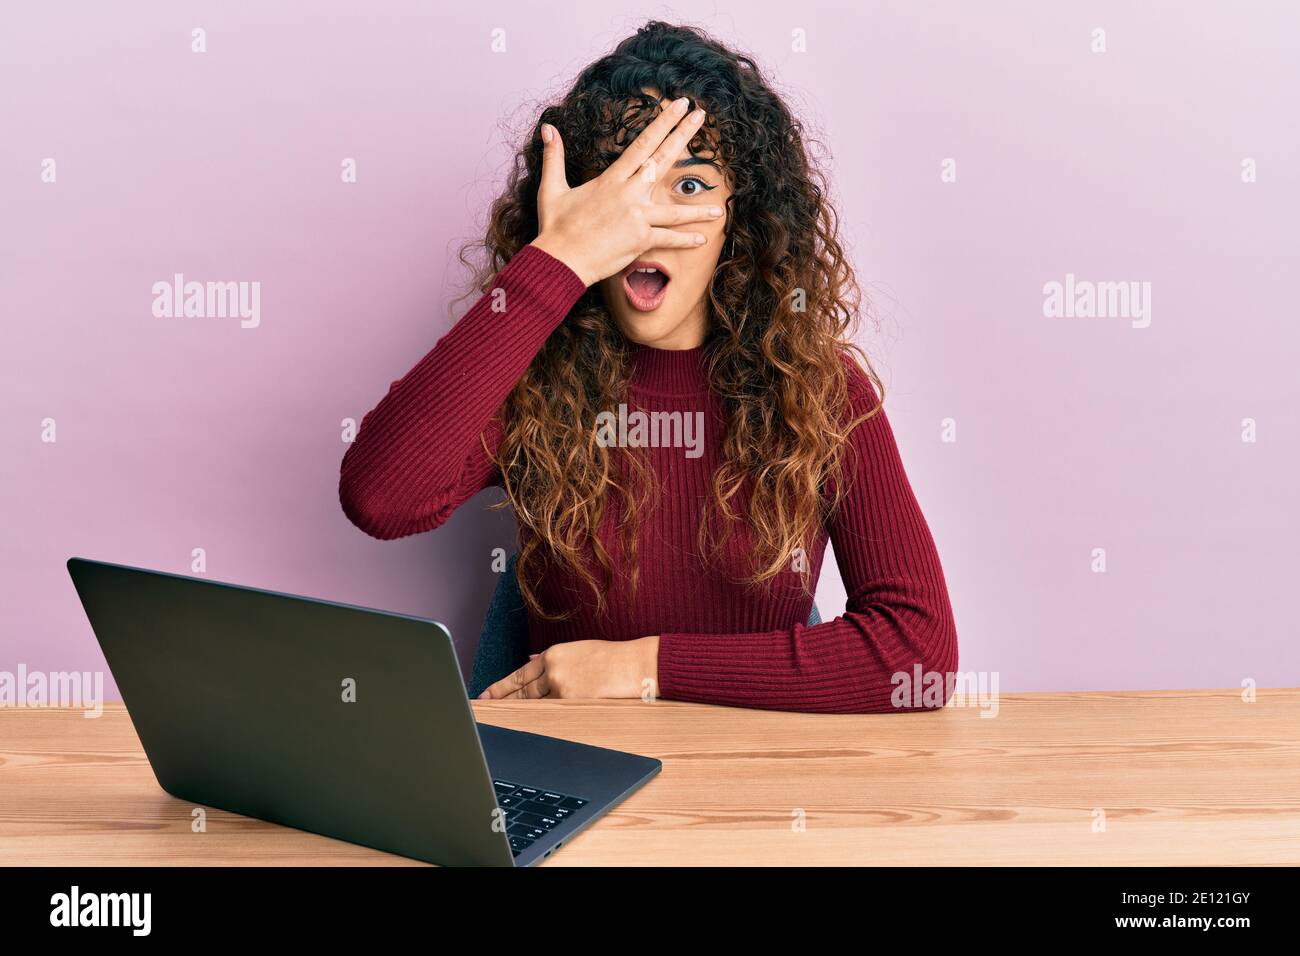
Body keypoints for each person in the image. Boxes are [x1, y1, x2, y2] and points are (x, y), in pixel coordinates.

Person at [339, 20, 958, 714]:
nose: (645, 223)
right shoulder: (535, 377)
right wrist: (559, 260)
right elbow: (379, 498)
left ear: (740, 218)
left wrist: (644, 667)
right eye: (618, 187)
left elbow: (917, 654)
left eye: (689, 186)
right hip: (577, 771)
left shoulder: (821, 390)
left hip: (760, 776)